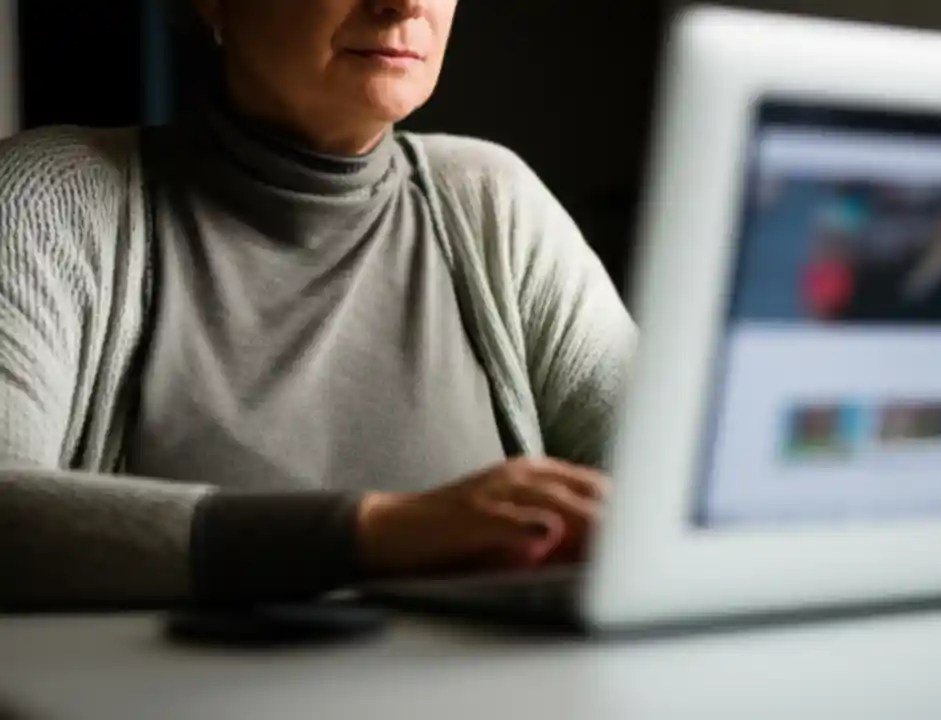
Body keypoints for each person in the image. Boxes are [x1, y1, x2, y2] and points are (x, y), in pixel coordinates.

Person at [0, 0, 635, 608]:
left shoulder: (494, 201)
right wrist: (381, 534)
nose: (404, 3)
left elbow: (672, 495)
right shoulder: (49, 198)